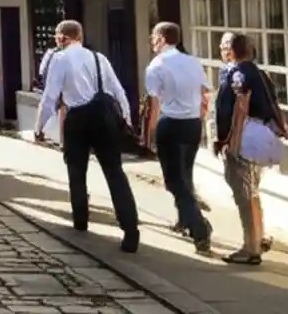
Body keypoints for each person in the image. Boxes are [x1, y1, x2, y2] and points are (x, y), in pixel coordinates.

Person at [34, 19, 139, 252]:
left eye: (57, 37)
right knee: (115, 173)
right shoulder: (98, 58)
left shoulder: (60, 59)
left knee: (77, 170)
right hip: (104, 117)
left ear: (62, 37)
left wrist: (39, 127)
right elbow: (118, 91)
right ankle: (130, 228)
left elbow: (50, 96)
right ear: (80, 36)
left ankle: (80, 220)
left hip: (78, 118)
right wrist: (127, 122)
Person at [215, 32, 286, 265]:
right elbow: (274, 102)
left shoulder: (233, 74)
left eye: (225, 47)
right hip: (262, 135)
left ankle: (250, 247)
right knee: (253, 192)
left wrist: (222, 138)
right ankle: (259, 236)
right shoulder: (259, 74)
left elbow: (226, 110)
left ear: (232, 51)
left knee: (243, 195)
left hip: (244, 137)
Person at [146, 21, 214, 255]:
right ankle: (184, 219)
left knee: (174, 181)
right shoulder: (193, 62)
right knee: (185, 174)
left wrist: (151, 132)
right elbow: (205, 94)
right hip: (192, 124)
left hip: (170, 123)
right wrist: (201, 118)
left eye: (154, 37)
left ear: (163, 39)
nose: (152, 41)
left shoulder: (156, 65)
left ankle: (200, 227)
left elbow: (154, 104)